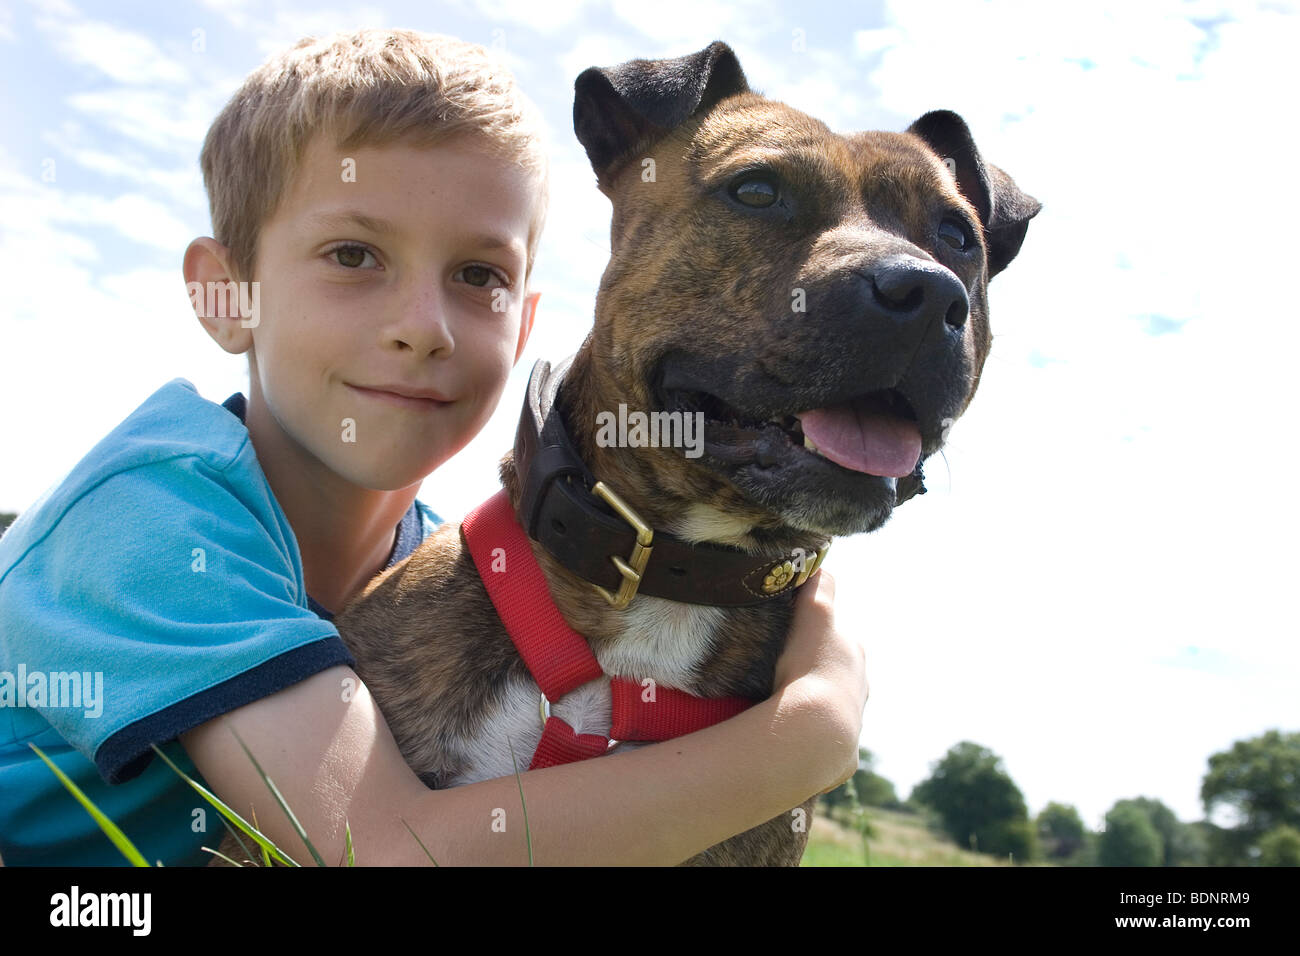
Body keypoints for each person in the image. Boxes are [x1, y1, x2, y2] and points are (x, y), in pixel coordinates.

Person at [0, 29, 866, 866]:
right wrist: (805, 739)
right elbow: (377, 852)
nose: (423, 328)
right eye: (353, 255)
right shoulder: (149, 516)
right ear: (228, 297)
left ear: (525, 324)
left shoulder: (425, 565)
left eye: (478, 276)